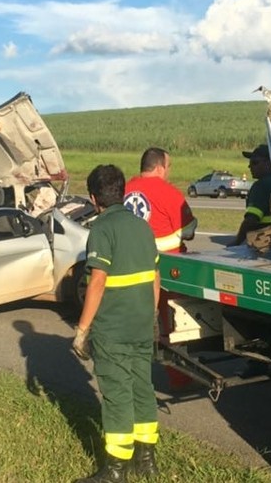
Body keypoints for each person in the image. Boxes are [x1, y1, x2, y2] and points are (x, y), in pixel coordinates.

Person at [73, 164, 161, 482]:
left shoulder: (102, 228)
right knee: (143, 388)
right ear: (122, 192)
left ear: (94, 198)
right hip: (141, 323)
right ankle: (147, 460)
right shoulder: (142, 227)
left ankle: (115, 470)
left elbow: (97, 281)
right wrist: (152, 317)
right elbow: (154, 277)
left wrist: (82, 331)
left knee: (117, 394)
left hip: (114, 328)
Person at [123, 147, 197, 254]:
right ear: (159, 169)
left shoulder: (124, 189)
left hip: (130, 258)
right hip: (167, 260)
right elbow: (188, 231)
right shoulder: (169, 192)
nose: (169, 171)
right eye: (168, 166)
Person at [229, 144, 271, 247]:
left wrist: (237, 241)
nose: (250, 166)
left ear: (269, 163)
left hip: (265, 242)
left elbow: (251, 220)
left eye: (255, 162)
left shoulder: (261, 185)